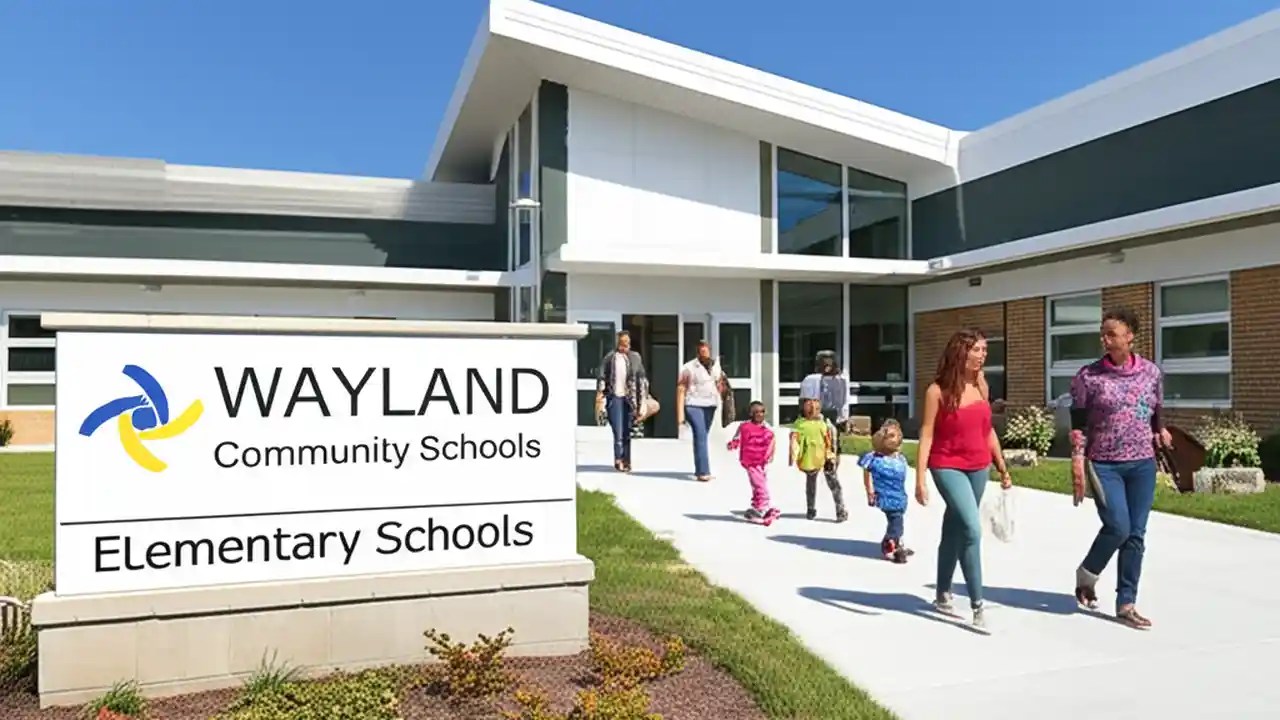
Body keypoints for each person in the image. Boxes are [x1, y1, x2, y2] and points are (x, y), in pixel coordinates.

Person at [1069, 306, 1171, 630]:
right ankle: (1086, 574)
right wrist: (1076, 459)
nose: (1105, 338)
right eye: (1103, 332)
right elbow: (1077, 423)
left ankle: (1126, 603)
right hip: (1104, 463)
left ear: (1130, 336)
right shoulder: (1089, 376)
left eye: (1111, 333)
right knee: (1118, 526)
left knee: (1136, 536)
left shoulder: (1151, 373)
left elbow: (1157, 411)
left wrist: (1161, 431)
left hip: (1142, 463)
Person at [916, 327, 1012, 632]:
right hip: (946, 465)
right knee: (972, 528)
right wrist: (920, 478)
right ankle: (977, 605)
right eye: (978, 350)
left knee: (955, 528)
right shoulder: (937, 391)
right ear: (961, 352)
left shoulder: (982, 386)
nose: (983, 356)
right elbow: (927, 433)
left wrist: (1001, 463)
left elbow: (987, 430)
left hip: (978, 465)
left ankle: (942, 592)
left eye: (985, 351)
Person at [859, 419, 913, 563]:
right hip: (886, 496)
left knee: (897, 519)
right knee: (896, 521)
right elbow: (867, 472)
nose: (896, 438)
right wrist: (869, 491)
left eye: (897, 435)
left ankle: (898, 543)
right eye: (891, 436)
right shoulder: (875, 459)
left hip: (900, 496)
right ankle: (889, 545)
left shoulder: (899, 458)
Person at [594, 330, 648, 473]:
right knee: (618, 431)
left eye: (627, 342)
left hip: (630, 399)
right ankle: (618, 459)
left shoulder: (635, 358)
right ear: (618, 342)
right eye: (622, 342)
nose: (625, 345)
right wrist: (600, 395)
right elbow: (601, 376)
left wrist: (642, 401)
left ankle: (627, 460)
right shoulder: (610, 358)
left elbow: (642, 379)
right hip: (615, 398)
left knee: (627, 431)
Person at [791, 398, 848, 522]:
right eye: (809, 408)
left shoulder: (825, 423)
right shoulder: (800, 423)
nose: (812, 410)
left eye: (816, 408)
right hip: (810, 458)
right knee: (811, 484)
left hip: (826, 457)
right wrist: (794, 456)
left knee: (834, 484)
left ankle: (840, 510)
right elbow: (795, 440)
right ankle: (810, 508)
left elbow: (832, 440)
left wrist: (833, 456)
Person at [676, 340, 726, 482]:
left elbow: (720, 385)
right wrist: (680, 416)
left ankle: (699, 470)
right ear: (697, 352)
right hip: (693, 404)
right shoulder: (688, 368)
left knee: (702, 437)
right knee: (701, 435)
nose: (704, 353)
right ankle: (704, 471)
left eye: (707, 350)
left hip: (710, 405)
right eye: (701, 350)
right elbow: (680, 390)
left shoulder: (715, 366)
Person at [727, 401, 779, 525]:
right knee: (759, 484)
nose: (760, 414)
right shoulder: (744, 427)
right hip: (750, 462)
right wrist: (733, 444)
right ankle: (762, 507)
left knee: (760, 482)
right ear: (751, 413)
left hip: (762, 461)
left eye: (762, 412)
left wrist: (771, 455)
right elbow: (737, 438)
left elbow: (772, 441)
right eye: (756, 412)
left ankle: (758, 505)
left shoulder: (767, 427)